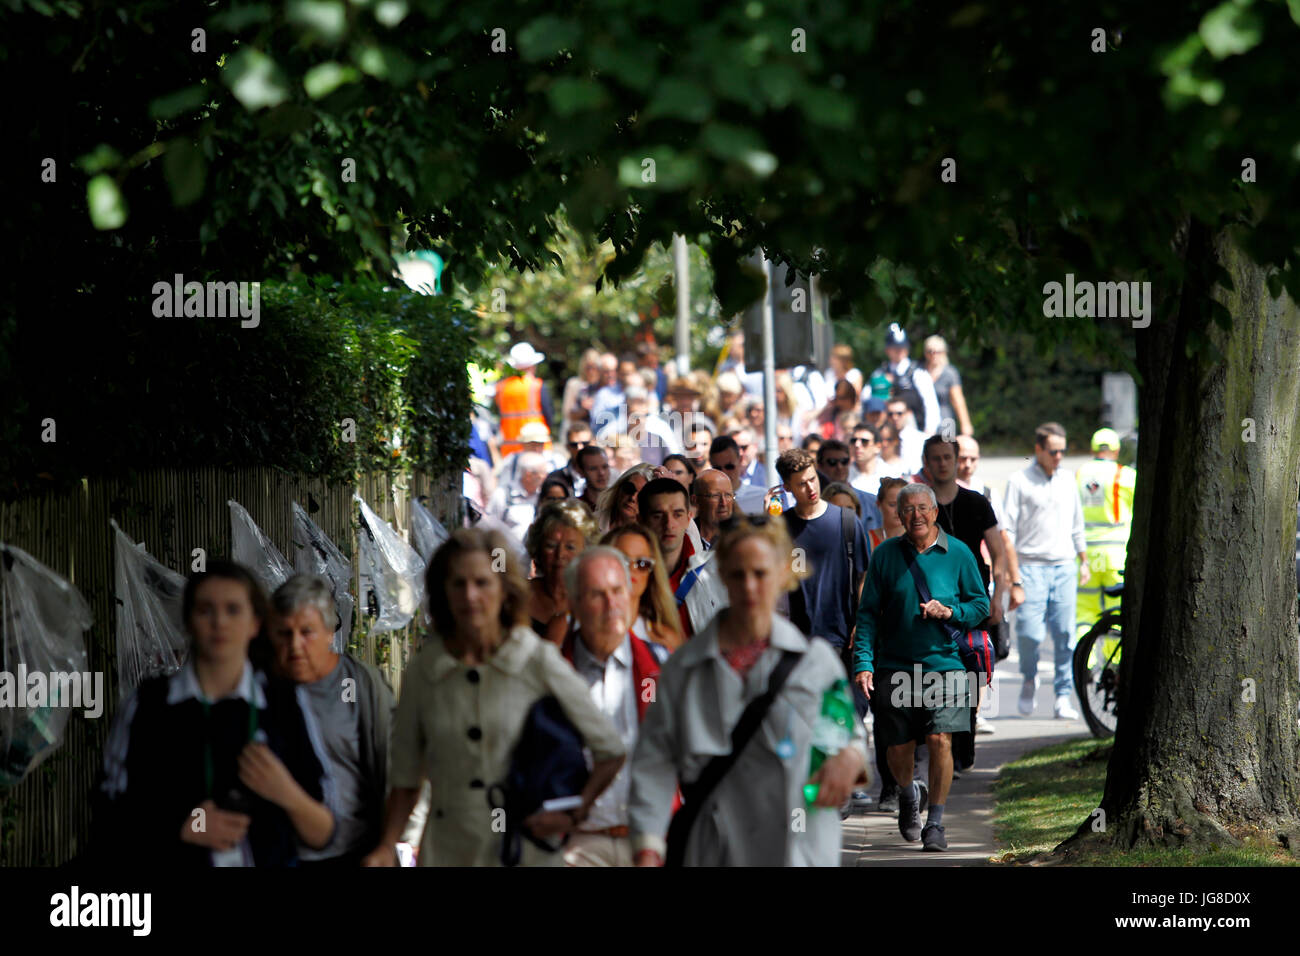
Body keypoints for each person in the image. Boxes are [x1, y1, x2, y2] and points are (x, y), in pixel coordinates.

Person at [363, 529, 626, 867]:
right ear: (443, 593)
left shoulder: (535, 659)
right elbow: (406, 775)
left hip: (522, 849)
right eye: (458, 584)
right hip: (448, 850)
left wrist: (574, 814)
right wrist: (387, 846)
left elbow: (609, 749)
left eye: (482, 583)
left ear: (504, 590)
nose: (470, 595)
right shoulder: (425, 669)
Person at [628, 516, 868, 866]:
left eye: (761, 573)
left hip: (797, 848)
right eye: (738, 574)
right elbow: (654, 764)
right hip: (715, 848)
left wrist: (848, 758)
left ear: (784, 574)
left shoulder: (814, 664)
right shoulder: (684, 669)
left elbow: (844, 736)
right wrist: (648, 846)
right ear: (722, 575)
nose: (750, 587)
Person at [96, 560, 337, 867]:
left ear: (255, 623)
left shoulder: (283, 703)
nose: (219, 622)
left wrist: (285, 791)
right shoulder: (150, 705)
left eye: (233, 610)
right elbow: (108, 816)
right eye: (205, 610)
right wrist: (184, 824)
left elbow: (324, 832)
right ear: (188, 621)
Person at [852, 484, 990, 851]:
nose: (915, 516)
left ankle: (937, 823)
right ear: (898, 515)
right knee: (898, 749)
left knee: (940, 739)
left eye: (922, 508)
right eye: (907, 509)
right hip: (895, 665)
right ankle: (909, 792)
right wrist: (864, 662)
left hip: (946, 664)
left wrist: (951, 612)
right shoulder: (884, 555)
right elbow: (867, 615)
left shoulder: (959, 553)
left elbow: (981, 605)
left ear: (934, 512)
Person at [268, 575, 393, 867]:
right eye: (285, 634)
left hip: (356, 852)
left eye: (306, 632)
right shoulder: (263, 691)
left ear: (329, 632)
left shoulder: (361, 685)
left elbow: (395, 768)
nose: (295, 645)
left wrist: (389, 845)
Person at [559, 547, 669, 866]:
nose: (612, 605)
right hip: (578, 843)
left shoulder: (661, 665)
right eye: (597, 595)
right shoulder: (551, 675)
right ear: (575, 604)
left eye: (618, 591)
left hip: (650, 840)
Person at [920, 436, 1017, 752]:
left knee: (973, 671)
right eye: (935, 458)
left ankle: (965, 741)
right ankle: (941, 743)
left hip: (973, 601)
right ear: (926, 463)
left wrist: (998, 597)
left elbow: (999, 553)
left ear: (956, 459)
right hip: (931, 599)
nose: (942, 463)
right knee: (936, 671)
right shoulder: (920, 505)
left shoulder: (977, 502)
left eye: (947, 457)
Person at [1002, 422, 1089, 720]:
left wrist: (1084, 559)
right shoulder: (1019, 481)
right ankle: (1029, 677)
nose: (1059, 457)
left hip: (1064, 566)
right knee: (1028, 633)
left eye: (1063, 451)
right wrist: (1013, 577)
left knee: (1065, 634)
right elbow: (1007, 531)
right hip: (1030, 567)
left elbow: (1077, 523)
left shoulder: (1067, 480)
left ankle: (1063, 695)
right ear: (1038, 449)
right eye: (1053, 451)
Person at [639, 477, 727, 641]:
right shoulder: (628, 575)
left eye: (677, 514)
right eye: (658, 515)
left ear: (689, 519)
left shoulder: (716, 570)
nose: (669, 524)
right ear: (641, 521)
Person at [1075, 428, 1136, 635]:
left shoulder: (1079, 474)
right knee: (1117, 610)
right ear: (1116, 450)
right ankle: (1117, 662)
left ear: (1092, 449)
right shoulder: (1125, 475)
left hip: (1085, 555)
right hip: (1116, 553)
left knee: (1084, 612)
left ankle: (1086, 662)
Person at [526, 499, 601, 644]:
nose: (560, 554)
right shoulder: (519, 596)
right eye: (551, 545)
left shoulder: (594, 601)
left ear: (587, 552)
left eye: (570, 547)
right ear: (538, 548)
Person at [601, 525, 685, 651]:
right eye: (622, 560)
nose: (632, 569)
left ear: (651, 574)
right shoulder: (585, 630)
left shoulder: (666, 640)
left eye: (642, 563)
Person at [871, 324, 939, 436]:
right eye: (895, 347)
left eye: (902, 347)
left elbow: (931, 404)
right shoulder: (879, 373)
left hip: (915, 429)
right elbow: (870, 401)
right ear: (887, 350)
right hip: (887, 433)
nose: (899, 351)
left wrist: (929, 432)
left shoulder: (918, 373)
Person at [496, 342, 554, 456]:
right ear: (532, 365)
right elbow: (549, 415)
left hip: (509, 450)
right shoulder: (537, 385)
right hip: (537, 447)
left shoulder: (501, 387)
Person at [816, 439, 883, 532]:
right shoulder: (813, 503)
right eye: (832, 462)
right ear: (819, 466)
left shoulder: (872, 502)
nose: (839, 467)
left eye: (844, 461)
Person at [487, 451, 548, 541]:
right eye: (543, 473)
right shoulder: (502, 495)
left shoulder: (544, 495)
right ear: (528, 475)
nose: (546, 477)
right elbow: (490, 527)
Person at [922, 336, 973, 437]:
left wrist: (965, 424)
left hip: (945, 420)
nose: (934, 355)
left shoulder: (950, 373)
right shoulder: (919, 372)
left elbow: (958, 400)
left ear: (944, 353)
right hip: (924, 421)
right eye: (930, 351)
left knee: (946, 450)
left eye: (938, 352)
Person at [709, 434, 768, 515]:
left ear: (740, 460)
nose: (724, 473)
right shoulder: (706, 502)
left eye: (729, 466)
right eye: (718, 469)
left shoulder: (762, 498)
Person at [597, 463, 657, 533]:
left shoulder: (652, 535)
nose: (632, 498)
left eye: (641, 495)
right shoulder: (589, 522)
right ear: (619, 487)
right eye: (629, 488)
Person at [691, 468, 735, 551]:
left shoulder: (742, 538)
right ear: (695, 500)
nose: (724, 503)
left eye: (728, 495)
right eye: (715, 496)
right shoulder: (685, 537)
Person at [544, 423, 592, 498]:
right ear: (567, 447)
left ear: (593, 443)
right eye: (574, 444)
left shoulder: (608, 476)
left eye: (585, 443)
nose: (580, 448)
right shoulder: (555, 479)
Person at [562, 348, 603, 430]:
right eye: (588, 367)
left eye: (595, 367)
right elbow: (567, 413)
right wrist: (583, 409)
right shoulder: (574, 384)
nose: (591, 371)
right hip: (578, 431)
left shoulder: (603, 386)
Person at [886, 398, 925, 475]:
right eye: (890, 414)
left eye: (899, 413)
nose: (895, 418)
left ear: (908, 413)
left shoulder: (922, 439)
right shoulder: (883, 440)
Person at [849, 424, 889, 497]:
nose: (857, 445)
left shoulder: (891, 475)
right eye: (853, 440)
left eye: (864, 441)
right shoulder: (844, 475)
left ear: (878, 447)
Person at [870, 477, 909, 549]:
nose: (898, 510)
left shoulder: (921, 539)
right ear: (879, 504)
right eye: (892, 505)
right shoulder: (868, 539)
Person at [576, 445, 612, 512]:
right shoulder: (576, 509)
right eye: (593, 469)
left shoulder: (620, 503)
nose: (601, 473)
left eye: (605, 467)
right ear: (581, 472)